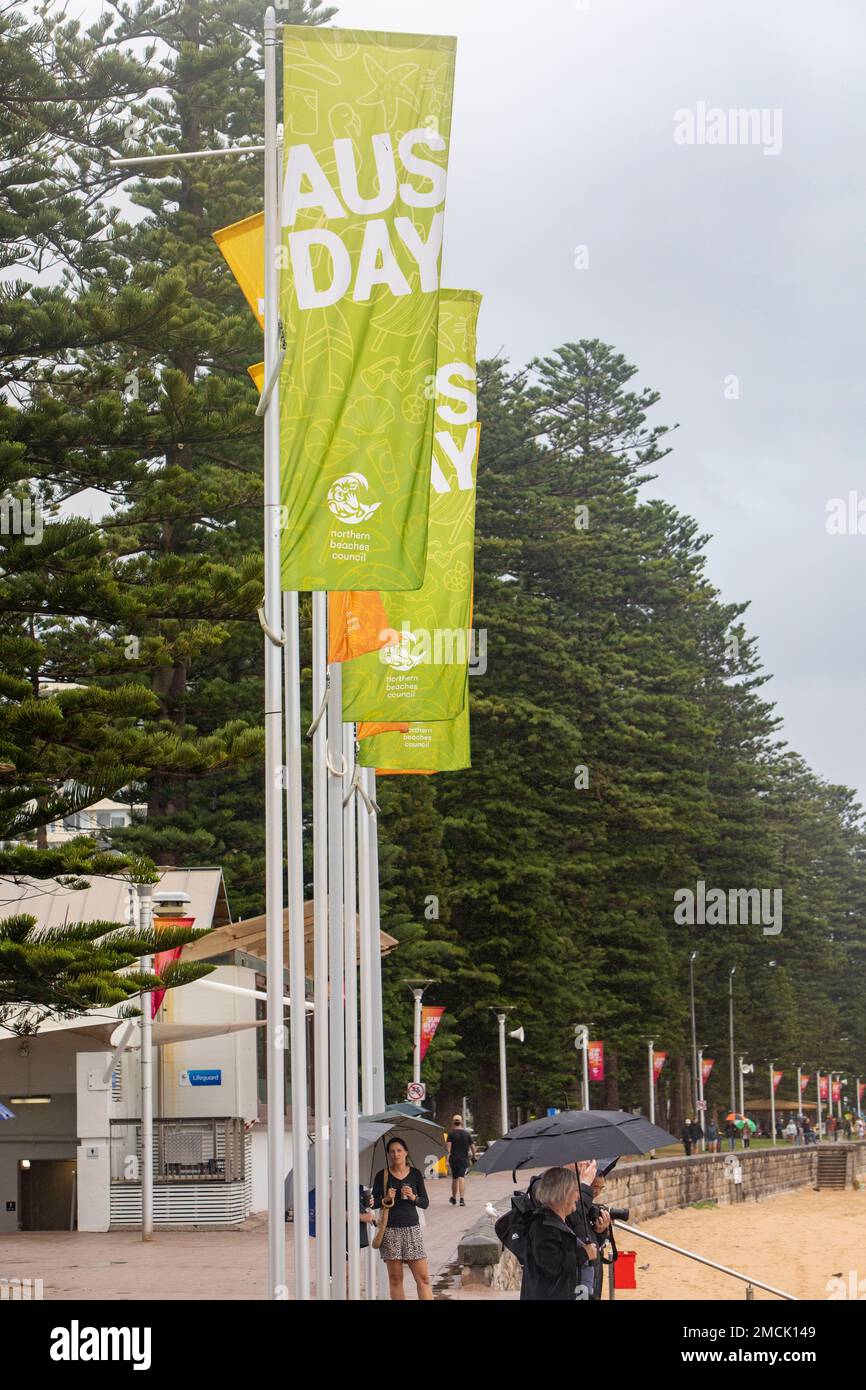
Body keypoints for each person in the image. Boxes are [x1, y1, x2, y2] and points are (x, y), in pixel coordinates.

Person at [370, 1137, 432, 1300]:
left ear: (406, 1152)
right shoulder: (382, 1176)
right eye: (392, 1151)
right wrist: (386, 1198)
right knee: (396, 1280)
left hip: (412, 1229)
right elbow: (374, 1203)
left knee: (423, 1279)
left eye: (399, 1150)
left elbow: (425, 1203)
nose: (396, 1154)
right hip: (390, 1231)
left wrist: (413, 1197)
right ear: (389, 1154)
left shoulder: (416, 1174)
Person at [520, 1166, 593, 1301]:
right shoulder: (543, 1226)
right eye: (576, 1190)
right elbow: (551, 1266)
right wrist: (583, 1254)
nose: (578, 1196)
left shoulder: (556, 1221)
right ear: (564, 1193)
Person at [446, 1114, 476, 1207]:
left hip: (453, 1159)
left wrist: (447, 1160)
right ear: (461, 1122)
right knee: (461, 1177)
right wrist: (474, 1156)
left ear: (453, 1122)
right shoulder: (467, 1134)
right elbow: (473, 1147)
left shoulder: (450, 1134)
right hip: (464, 1159)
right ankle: (462, 1199)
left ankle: (454, 1198)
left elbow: (448, 1150)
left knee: (455, 1178)